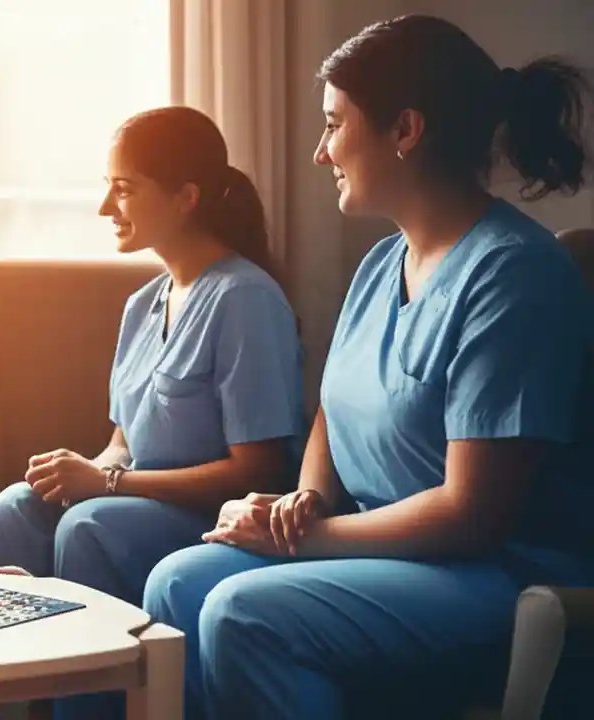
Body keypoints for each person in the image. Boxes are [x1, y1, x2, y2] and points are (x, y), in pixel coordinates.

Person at [143, 14, 594, 719]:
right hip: (385, 550)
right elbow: (334, 406)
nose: (321, 153)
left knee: (240, 610)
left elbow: (471, 514)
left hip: (494, 570)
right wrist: (307, 502)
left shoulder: (514, 276)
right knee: (177, 583)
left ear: (405, 131)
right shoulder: (382, 263)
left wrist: (309, 542)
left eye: (332, 124)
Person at [0, 107, 304, 718]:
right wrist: (76, 472)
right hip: (132, 497)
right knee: (16, 509)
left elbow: (258, 470)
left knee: (91, 525)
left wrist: (104, 483)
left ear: (186, 197)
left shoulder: (245, 299)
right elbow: (122, 441)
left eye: (124, 189)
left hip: (211, 516)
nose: (107, 207)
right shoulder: (142, 305)